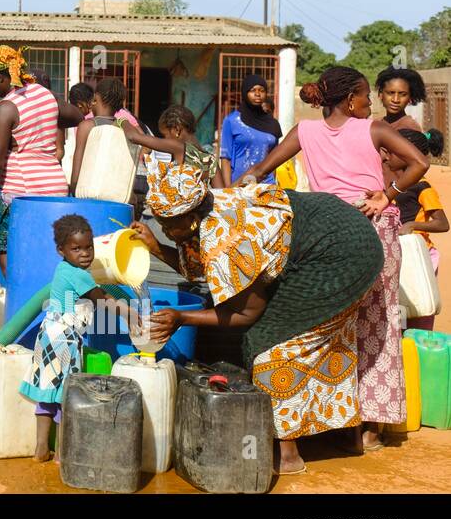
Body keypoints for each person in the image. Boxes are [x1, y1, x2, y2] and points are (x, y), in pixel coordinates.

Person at [130, 151, 387, 475]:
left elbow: (249, 313)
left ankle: (288, 455)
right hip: (329, 232)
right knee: (299, 337)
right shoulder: (208, 206)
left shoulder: (224, 237)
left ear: (191, 218)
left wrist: (183, 318)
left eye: (168, 224)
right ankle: (344, 435)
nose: (164, 229)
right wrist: (156, 247)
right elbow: (209, 269)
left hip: (342, 253)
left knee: (268, 344)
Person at [241, 66, 429, 453]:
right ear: (349, 99)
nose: (370, 102)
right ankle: (369, 430)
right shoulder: (372, 129)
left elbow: (259, 171)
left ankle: (330, 423)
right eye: (365, 96)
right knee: (378, 327)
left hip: (326, 240)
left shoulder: (304, 132)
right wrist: (387, 195)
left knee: (332, 330)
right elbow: (419, 164)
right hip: (372, 232)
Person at [21, 215, 130, 462]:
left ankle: (40, 448)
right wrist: (130, 313)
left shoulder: (65, 269)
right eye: (76, 248)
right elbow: (100, 296)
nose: (84, 253)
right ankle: (60, 451)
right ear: (62, 250)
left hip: (48, 335)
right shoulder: (76, 273)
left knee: (47, 391)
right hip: (65, 340)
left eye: (89, 247)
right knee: (66, 396)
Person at [0, 46, 67, 279]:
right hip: (55, 190)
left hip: (21, 193)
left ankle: (21, 306)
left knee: (11, 255)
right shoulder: (44, 94)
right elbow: (74, 115)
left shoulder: (6, 108)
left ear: (1, 76)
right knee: (48, 254)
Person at [383, 128, 447, 331]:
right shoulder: (395, 185)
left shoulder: (423, 187)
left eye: (391, 151)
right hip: (401, 253)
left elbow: (442, 223)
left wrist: (412, 226)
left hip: (420, 255)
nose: (385, 157)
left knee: (419, 306)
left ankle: (420, 347)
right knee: (400, 307)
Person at [68, 77, 141, 195]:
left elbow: (78, 163)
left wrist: (74, 189)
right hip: (115, 193)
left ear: (95, 99)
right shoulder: (125, 127)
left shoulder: (86, 126)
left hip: (89, 193)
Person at [132, 104, 226, 187]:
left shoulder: (179, 147)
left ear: (177, 130)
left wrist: (122, 118)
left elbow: (133, 136)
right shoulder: (210, 160)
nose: (165, 140)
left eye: (165, 135)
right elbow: (221, 194)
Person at [219, 73, 283, 185]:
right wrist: (228, 190)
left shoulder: (273, 124)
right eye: (252, 90)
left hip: (266, 186)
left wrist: (272, 184)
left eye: (262, 90)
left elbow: (274, 159)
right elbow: (225, 159)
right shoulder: (232, 121)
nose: (257, 94)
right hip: (239, 185)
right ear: (245, 93)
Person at [375, 66, 425, 133]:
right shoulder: (376, 123)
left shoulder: (410, 128)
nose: (395, 100)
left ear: (410, 97)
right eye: (391, 93)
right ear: (381, 94)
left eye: (403, 94)